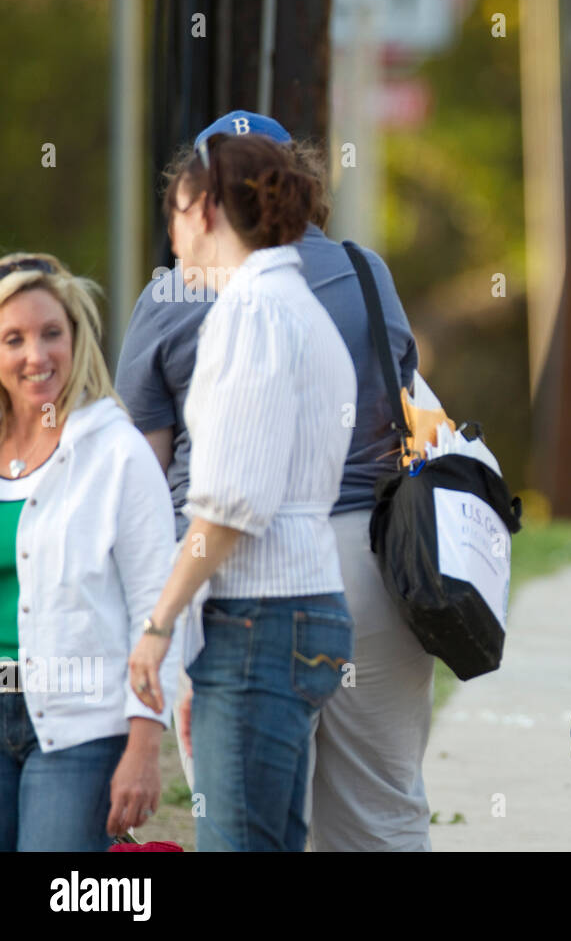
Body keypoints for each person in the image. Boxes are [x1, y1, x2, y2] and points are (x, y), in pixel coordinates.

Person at [116, 111, 433, 851]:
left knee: (243, 835)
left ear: (208, 205)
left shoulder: (243, 310)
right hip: (358, 571)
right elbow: (408, 406)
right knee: (375, 815)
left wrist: (158, 621)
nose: (171, 235)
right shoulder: (345, 279)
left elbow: (225, 500)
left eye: (176, 210)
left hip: (249, 601)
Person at [0, 253, 177, 851]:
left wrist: (145, 745)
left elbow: (158, 607)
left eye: (52, 333)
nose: (36, 356)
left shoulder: (116, 452)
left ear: (76, 338)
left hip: (81, 728)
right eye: (14, 339)